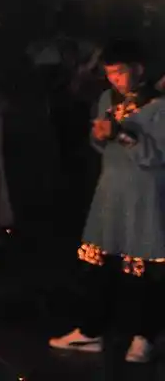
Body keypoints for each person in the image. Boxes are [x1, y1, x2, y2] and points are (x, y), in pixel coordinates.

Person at [50, 40, 164, 364]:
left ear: (138, 69)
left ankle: (145, 336)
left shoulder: (159, 105)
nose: (114, 79)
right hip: (110, 192)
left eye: (120, 72)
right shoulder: (106, 98)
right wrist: (99, 137)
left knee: (142, 270)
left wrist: (122, 135)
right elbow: (101, 143)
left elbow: (157, 156)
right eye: (109, 73)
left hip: (144, 195)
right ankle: (91, 330)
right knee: (96, 264)